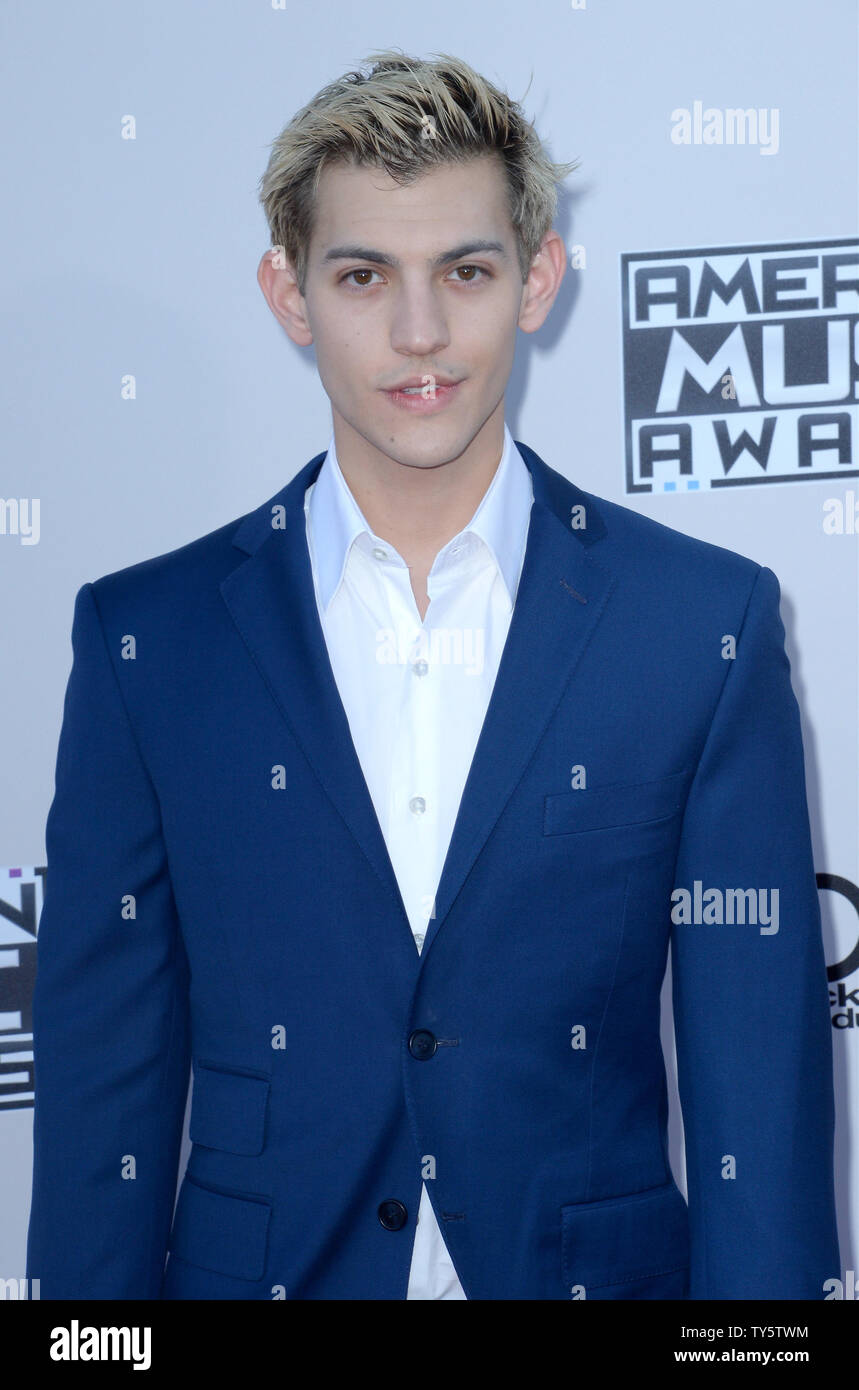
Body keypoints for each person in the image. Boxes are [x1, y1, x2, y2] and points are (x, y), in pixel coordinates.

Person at [26, 49, 839, 1300]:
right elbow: (101, 1090)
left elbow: (759, 1083)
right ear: (289, 294)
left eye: (463, 271)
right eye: (363, 276)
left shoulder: (700, 624)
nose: (418, 334)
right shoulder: (151, 641)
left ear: (538, 280)